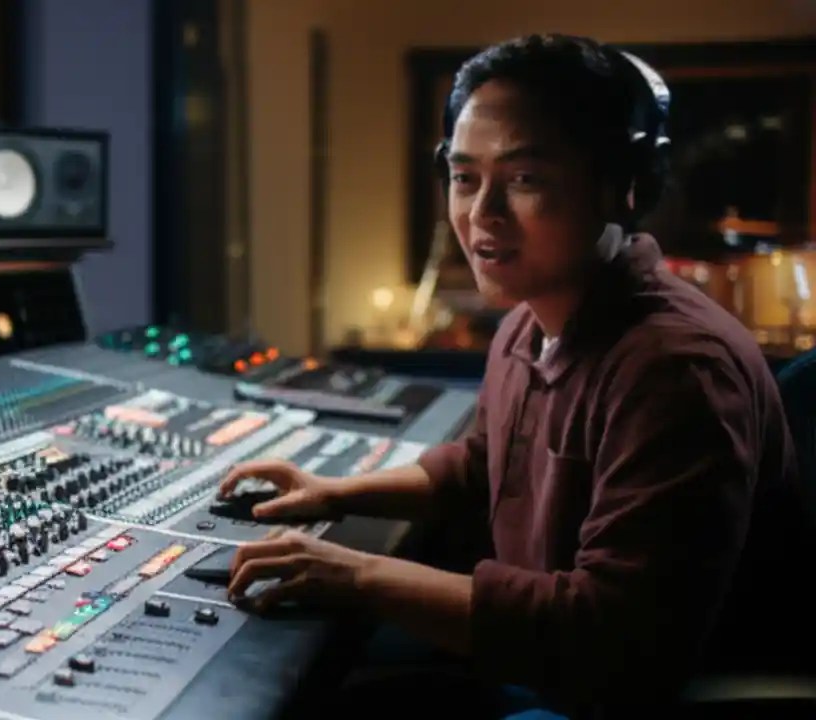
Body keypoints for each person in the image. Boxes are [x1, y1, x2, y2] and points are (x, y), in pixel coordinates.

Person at [219, 33, 813, 717]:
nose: (481, 215)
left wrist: (356, 575)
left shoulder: (676, 371)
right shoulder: (530, 326)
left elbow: (609, 636)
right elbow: (483, 464)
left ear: (627, 186)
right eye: (465, 177)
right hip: (548, 667)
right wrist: (336, 492)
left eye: (525, 179)